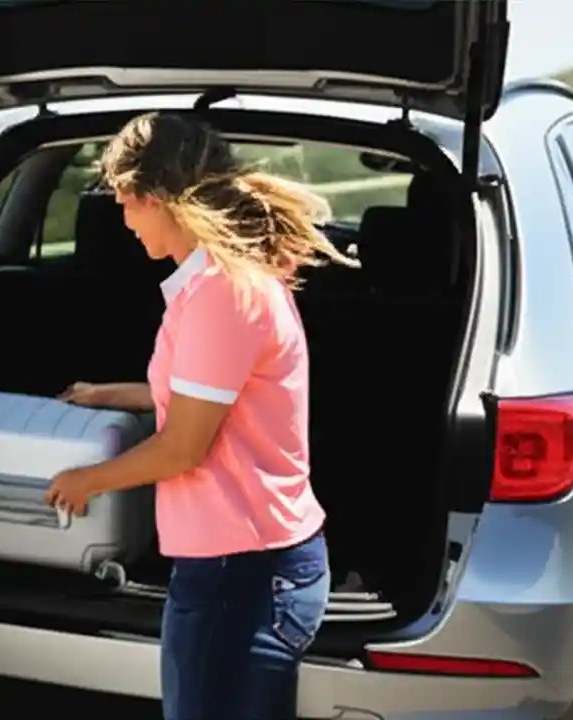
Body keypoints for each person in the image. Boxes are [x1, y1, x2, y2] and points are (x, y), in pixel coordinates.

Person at [45, 111, 357, 719]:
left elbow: (184, 447)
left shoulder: (224, 293)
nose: (124, 222)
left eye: (125, 204)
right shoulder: (220, 283)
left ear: (156, 197)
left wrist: (86, 481)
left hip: (243, 576)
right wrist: (105, 394)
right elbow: (204, 394)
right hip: (244, 567)